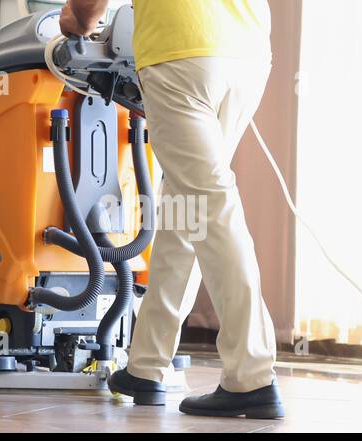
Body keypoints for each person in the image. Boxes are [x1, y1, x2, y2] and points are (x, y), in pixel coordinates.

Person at [60, 0, 283, 419]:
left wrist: (76, 20)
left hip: (182, 49)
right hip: (249, 49)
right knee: (188, 204)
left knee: (210, 205)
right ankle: (147, 363)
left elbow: (87, 9)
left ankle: (252, 374)